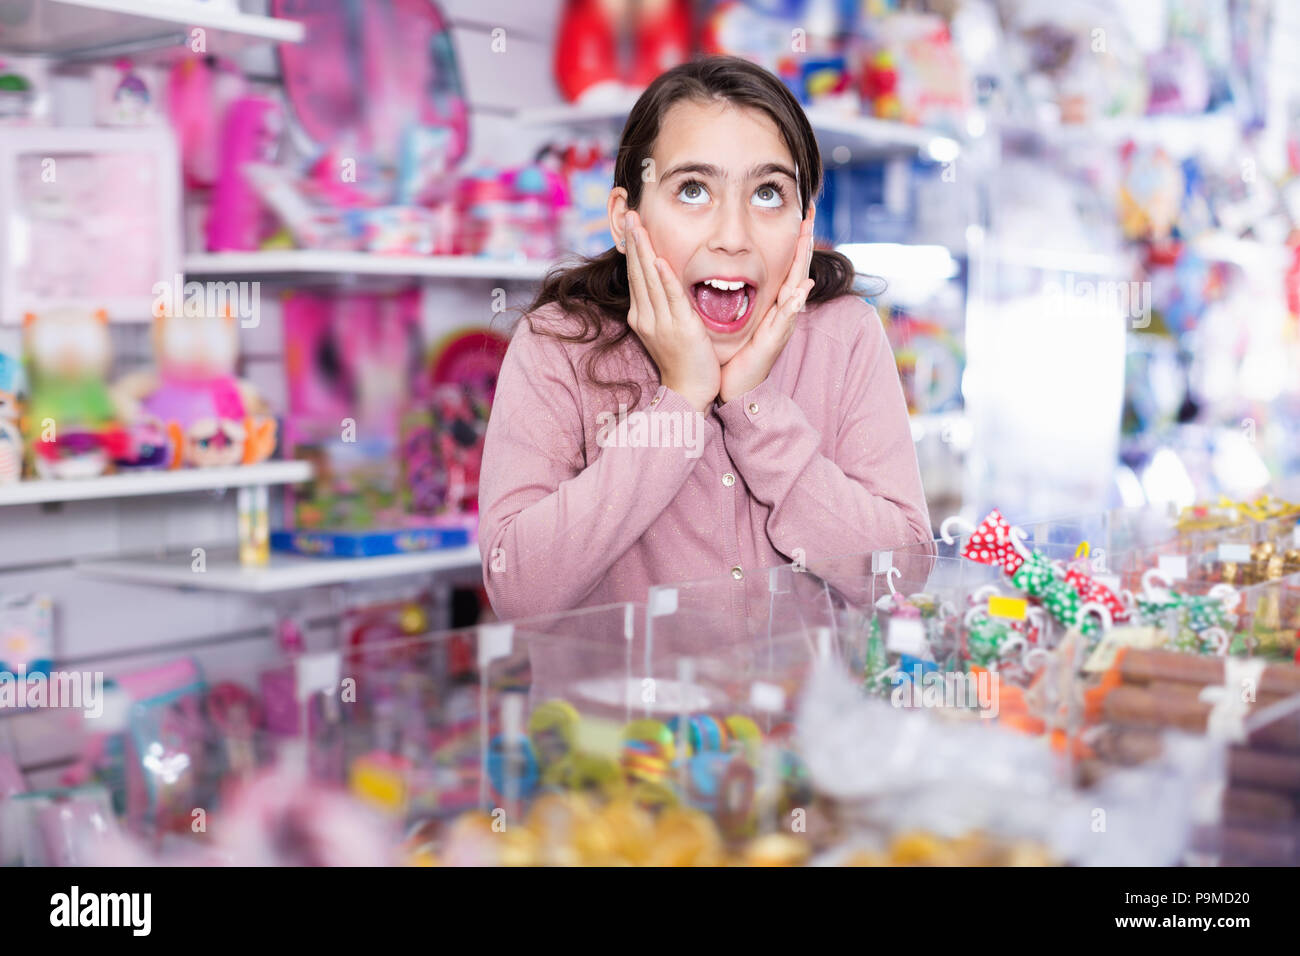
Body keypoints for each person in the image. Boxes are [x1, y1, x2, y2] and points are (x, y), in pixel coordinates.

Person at [479, 55, 932, 627]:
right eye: (693, 189)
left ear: (804, 224)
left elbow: (903, 574)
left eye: (768, 193)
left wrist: (755, 409)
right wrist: (681, 401)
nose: (732, 236)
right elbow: (518, 589)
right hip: (619, 719)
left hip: (804, 717)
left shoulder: (844, 334)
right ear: (626, 218)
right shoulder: (558, 345)